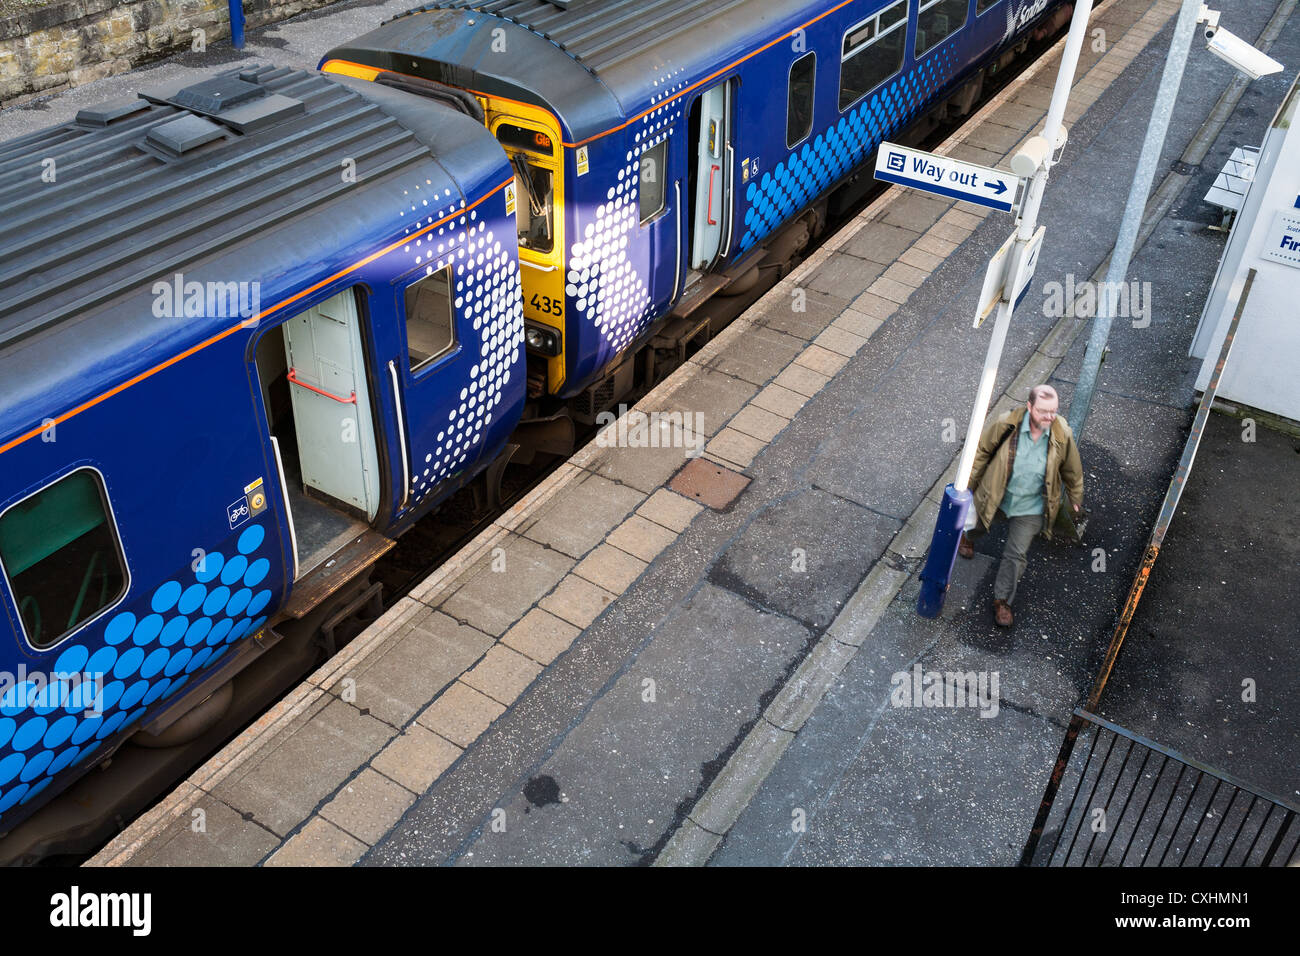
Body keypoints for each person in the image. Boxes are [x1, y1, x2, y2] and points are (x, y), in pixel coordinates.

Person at [959, 385, 1083, 627]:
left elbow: (1072, 468)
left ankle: (1002, 600)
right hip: (999, 494)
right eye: (1043, 411)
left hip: (1032, 507)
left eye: (1053, 411)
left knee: (1016, 555)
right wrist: (968, 485)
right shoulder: (1007, 423)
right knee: (982, 521)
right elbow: (983, 452)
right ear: (1029, 407)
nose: (1049, 417)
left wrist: (1075, 498)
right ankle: (968, 537)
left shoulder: (1062, 433)